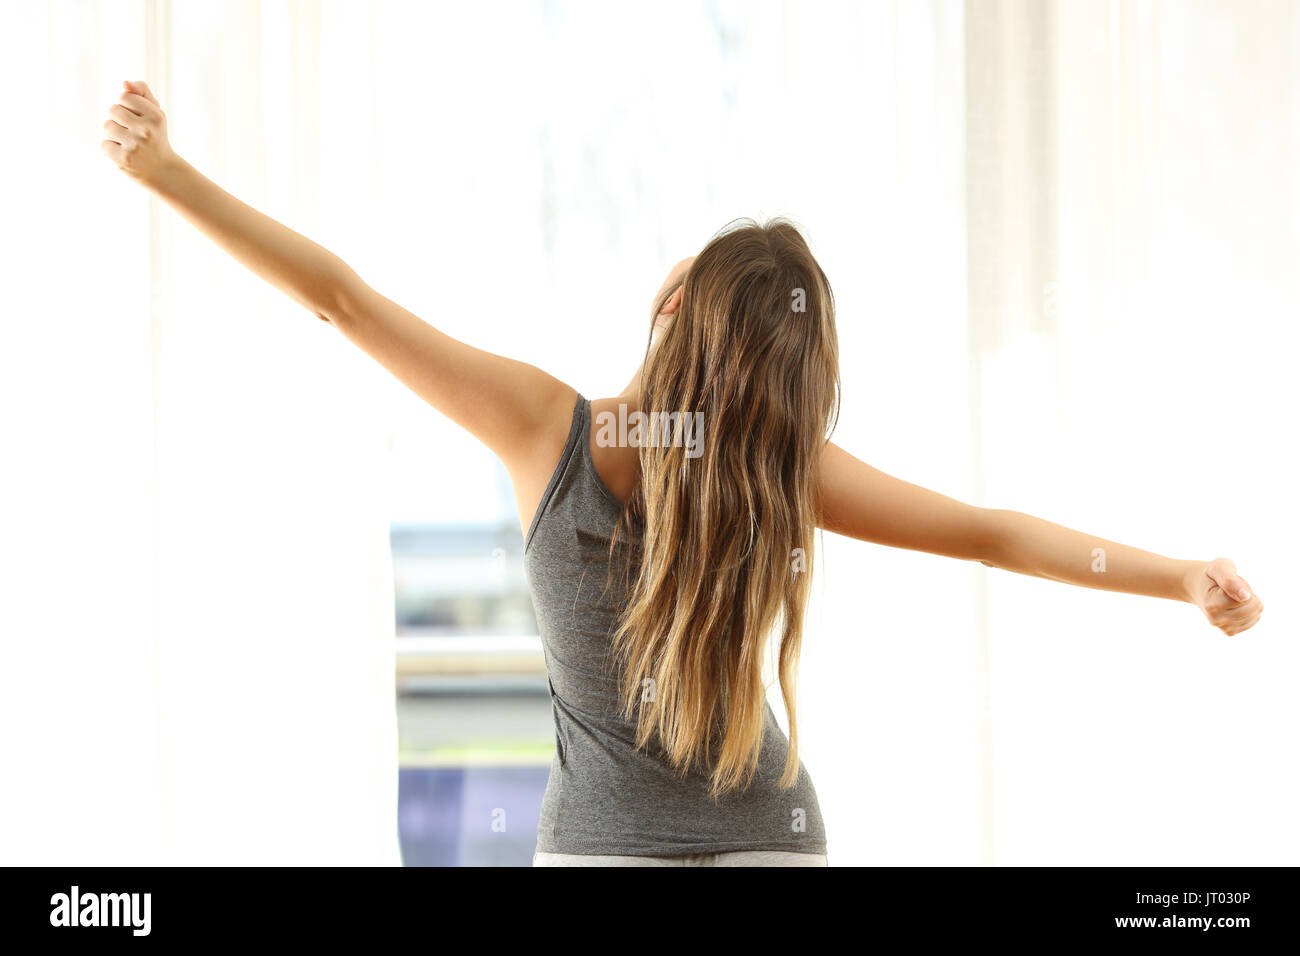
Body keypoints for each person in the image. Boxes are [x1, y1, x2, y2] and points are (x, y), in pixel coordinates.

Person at [101, 80, 1264, 868]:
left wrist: (164, 172)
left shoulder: (543, 428)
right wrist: (1178, 579)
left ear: (672, 310)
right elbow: (986, 532)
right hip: (777, 833)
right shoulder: (776, 466)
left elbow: (339, 298)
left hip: (602, 848)